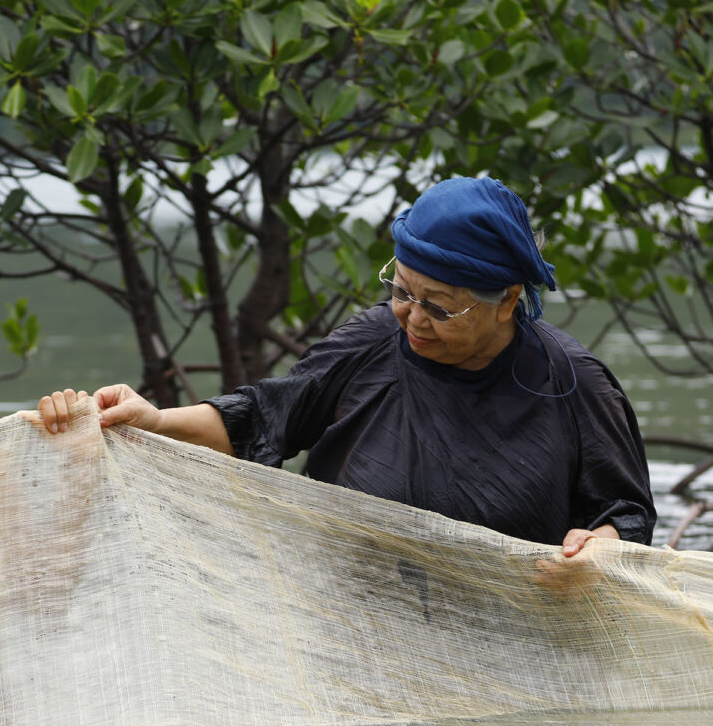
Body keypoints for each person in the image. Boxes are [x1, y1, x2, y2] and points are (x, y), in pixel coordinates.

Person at [34, 176, 653, 557]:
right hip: (347, 620)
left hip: (513, 640)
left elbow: (626, 516)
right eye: (402, 290)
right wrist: (155, 420)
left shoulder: (574, 383)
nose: (413, 319)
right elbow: (263, 419)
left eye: (439, 306)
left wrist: (600, 546)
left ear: (508, 301)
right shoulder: (372, 342)